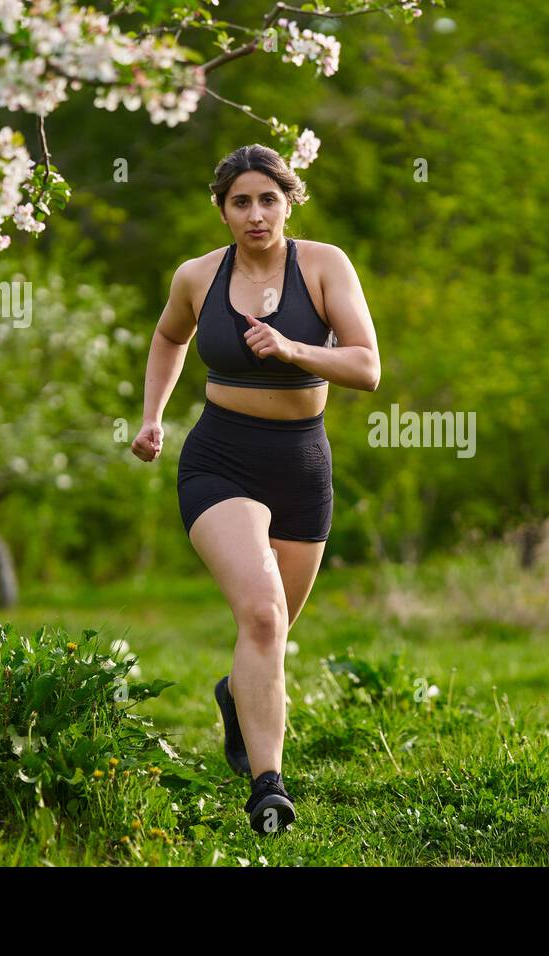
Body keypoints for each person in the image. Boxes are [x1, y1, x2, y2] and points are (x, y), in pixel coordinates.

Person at [130, 144, 381, 833]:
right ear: (222, 210)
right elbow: (167, 337)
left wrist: (295, 349)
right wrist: (152, 417)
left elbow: (366, 366)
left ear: (289, 202)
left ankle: (235, 693)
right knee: (265, 618)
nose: (255, 213)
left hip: (303, 465)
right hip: (221, 460)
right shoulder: (197, 275)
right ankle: (268, 787)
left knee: (270, 632)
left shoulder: (325, 266)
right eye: (240, 201)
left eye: (268, 198)